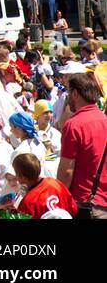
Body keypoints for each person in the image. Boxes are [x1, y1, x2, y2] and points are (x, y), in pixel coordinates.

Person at [56, 72, 107, 218]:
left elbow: (66, 172)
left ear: (75, 93)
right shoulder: (104, 119)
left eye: (68, 92)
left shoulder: (74, 125)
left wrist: (59, 200)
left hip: (84, 204)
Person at [14, 151, 77, 218]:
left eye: (16, 173)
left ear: (23, 177)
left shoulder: (28, 202)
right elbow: (73, 208)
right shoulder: (55, 183)